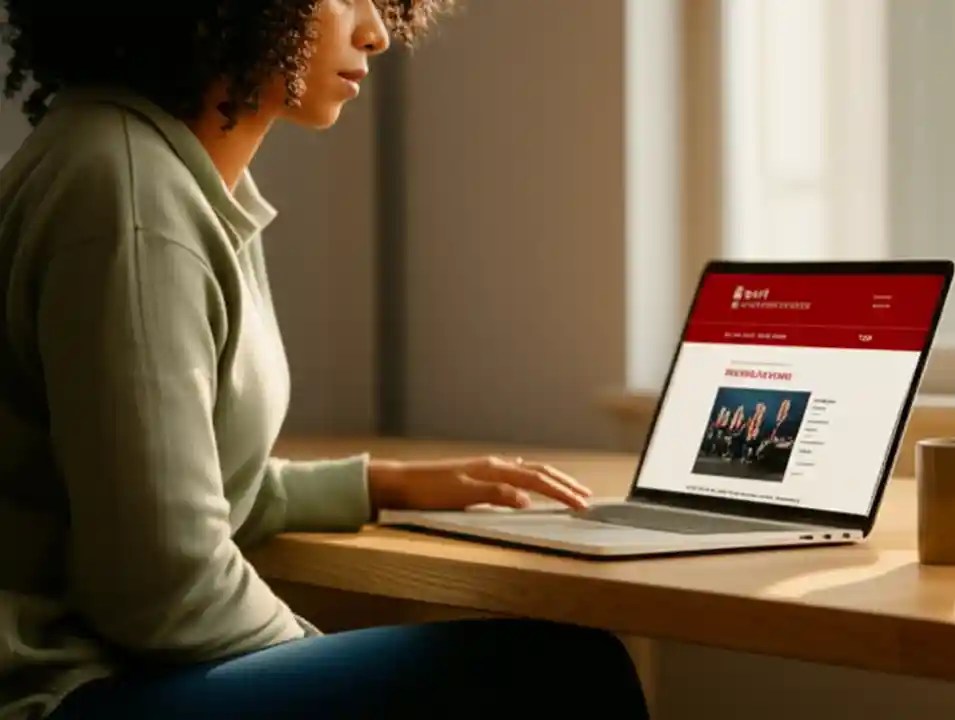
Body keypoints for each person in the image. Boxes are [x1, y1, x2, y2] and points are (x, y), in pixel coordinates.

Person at [0, 2, 648, 719]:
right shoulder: (131, 193)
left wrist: (379, 483)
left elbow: (172, 486)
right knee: (564, 676)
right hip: (65, 693)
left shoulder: (154, 167)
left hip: (104, 671)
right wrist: (314, 650)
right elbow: (163, 585)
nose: (375, 31)